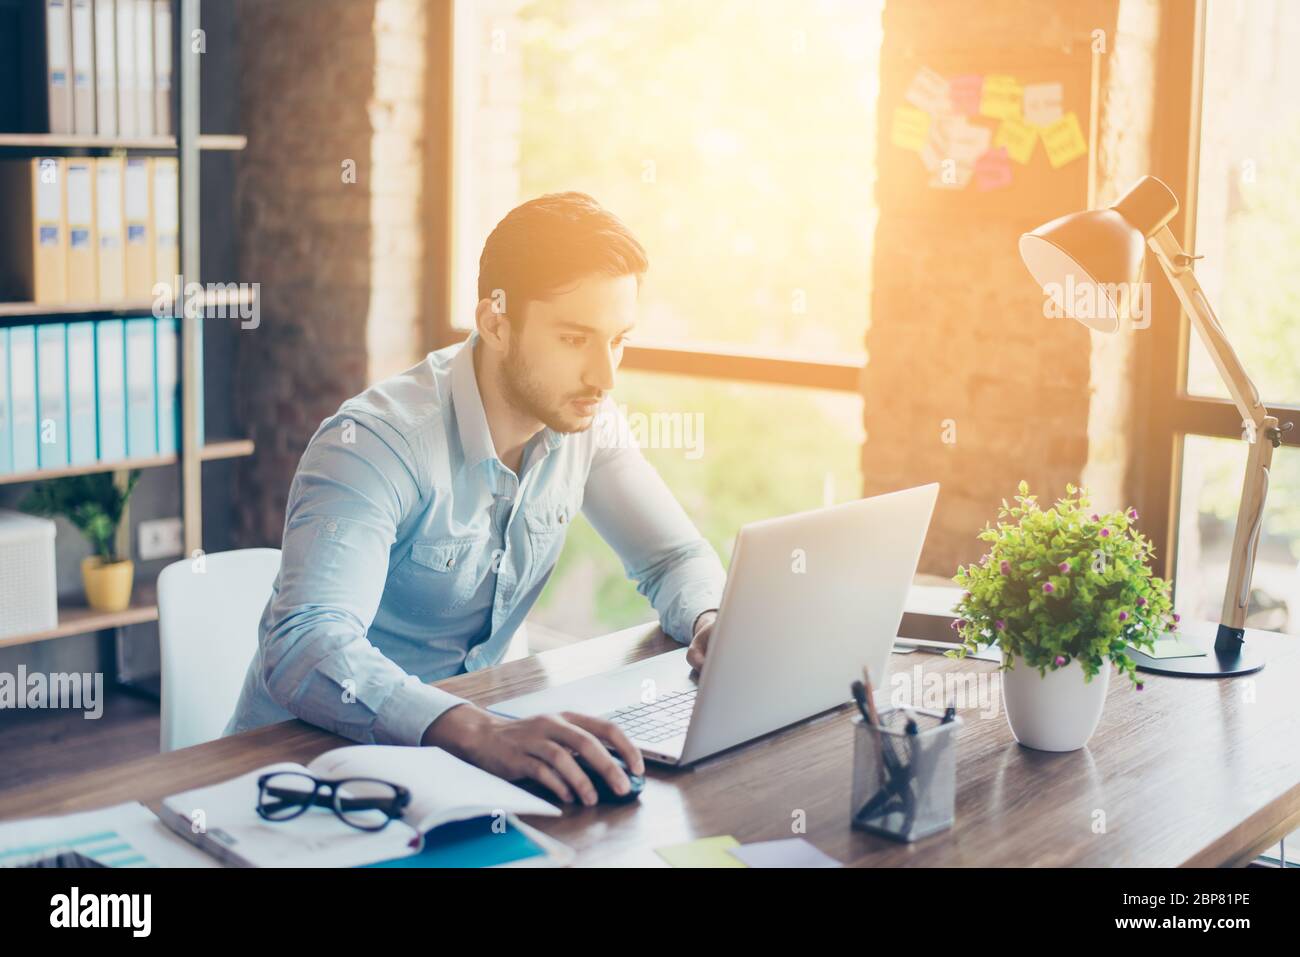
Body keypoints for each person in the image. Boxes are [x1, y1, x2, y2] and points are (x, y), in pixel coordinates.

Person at [226, 192, 726, 806]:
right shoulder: (376, 443)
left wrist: (709, 620)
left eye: (617, 340)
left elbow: (673, 560)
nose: (605, 376)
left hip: (467, 766)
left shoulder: (585, 419)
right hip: (298, 773)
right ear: (494, 321)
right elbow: (307, 642)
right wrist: (476, 731)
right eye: (574, 339)